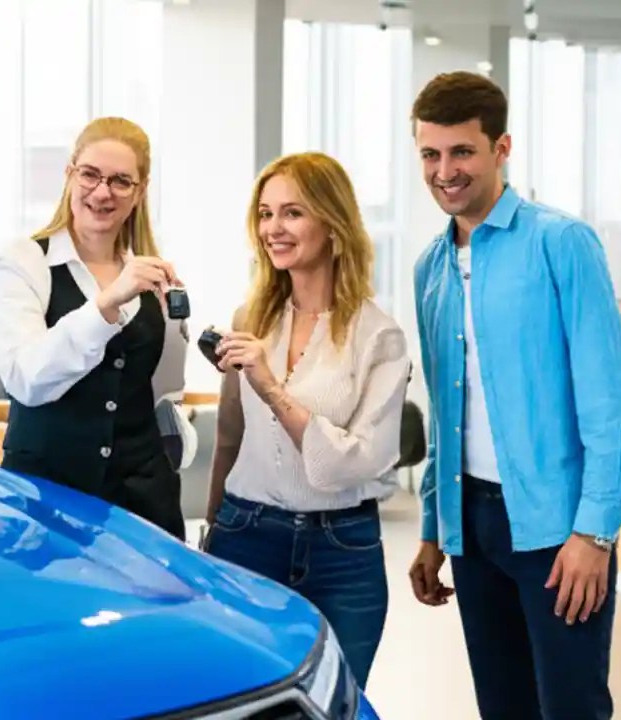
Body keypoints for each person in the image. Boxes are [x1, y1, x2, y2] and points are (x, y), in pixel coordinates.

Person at [406, 71, 621, 720]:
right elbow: (444, 413)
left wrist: (594, 533)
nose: (445, 172)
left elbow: (608, 404)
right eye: (430, 154)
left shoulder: (560, 243)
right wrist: (433, 528)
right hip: (471, 526)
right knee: (502, 708)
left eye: (462, 151)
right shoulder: (430, 267)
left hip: (556, 527)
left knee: (570, 707)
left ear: (501, 148)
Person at [203, 151, 412, 688]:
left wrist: (273, 388)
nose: (273, 228)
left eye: (292, 213)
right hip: (244, 536)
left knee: (333, 702)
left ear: (333, 222)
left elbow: (352, 464)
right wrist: (213, 528)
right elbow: (230, 436)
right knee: (240, 701)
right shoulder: (250, 320)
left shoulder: (379, 337)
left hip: (344, 554)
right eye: (266, 213)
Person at [0, 116, 190, 541]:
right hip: (45, 498)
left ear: (140, 191)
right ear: (69, 174)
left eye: (120, 181)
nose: (102, 192)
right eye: (90, 174)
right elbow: (25, 379)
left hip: (141, 502)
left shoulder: (151, 274)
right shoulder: (25, 261)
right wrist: (105, 304)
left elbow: (164, 392)